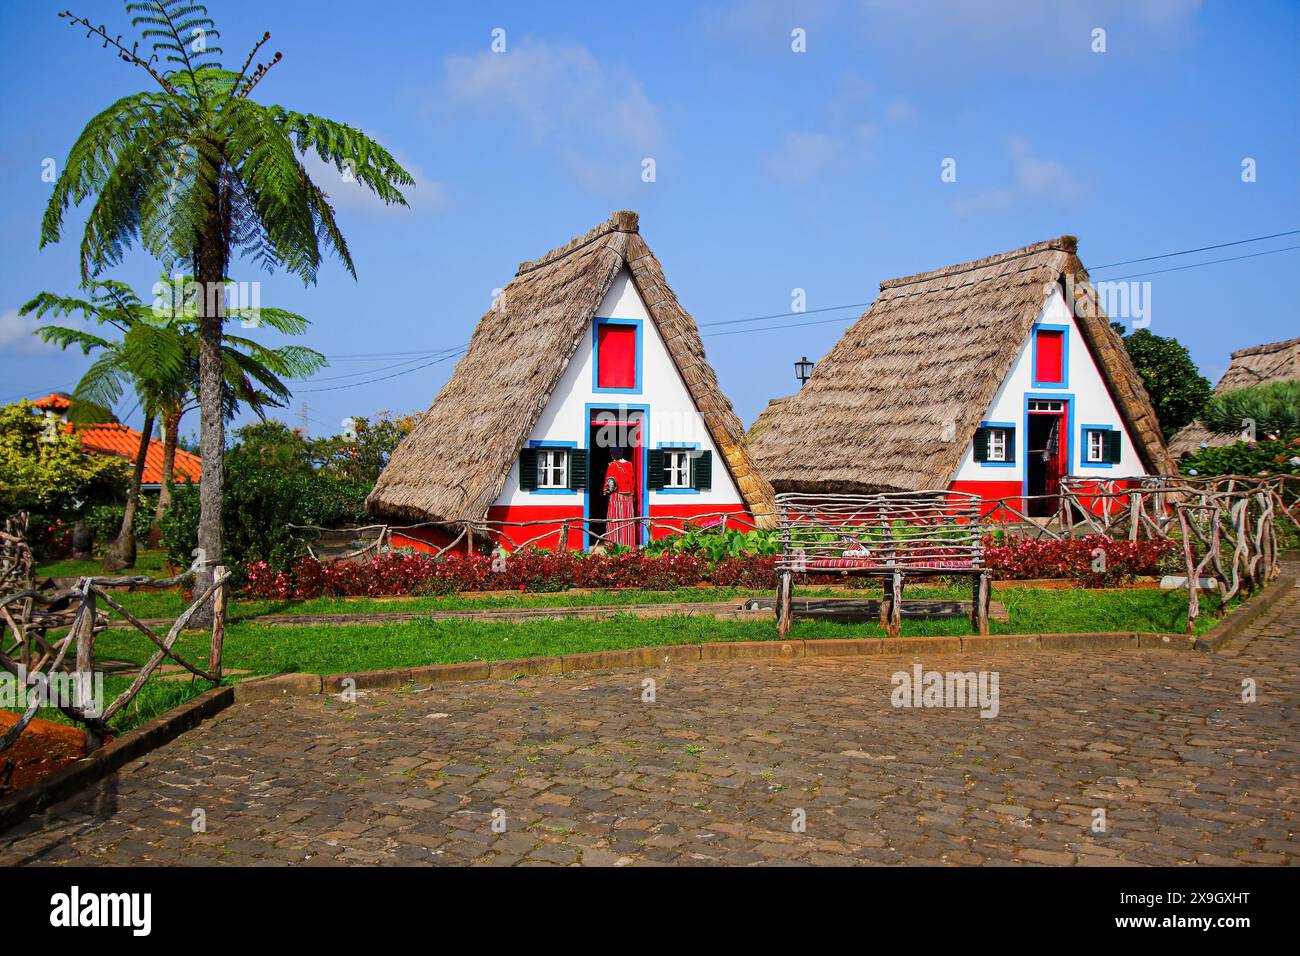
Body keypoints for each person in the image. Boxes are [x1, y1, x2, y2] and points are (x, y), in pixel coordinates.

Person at [603, 446, 638, 548]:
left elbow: (610, 484)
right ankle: (628, 544)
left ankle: (614, 544)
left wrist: (607, 491)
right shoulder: (629, 465)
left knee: (615, 520)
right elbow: (632, 481)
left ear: (612, 454)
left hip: (616, 497)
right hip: (628, 499)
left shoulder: (612, 466)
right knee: (627, 521)